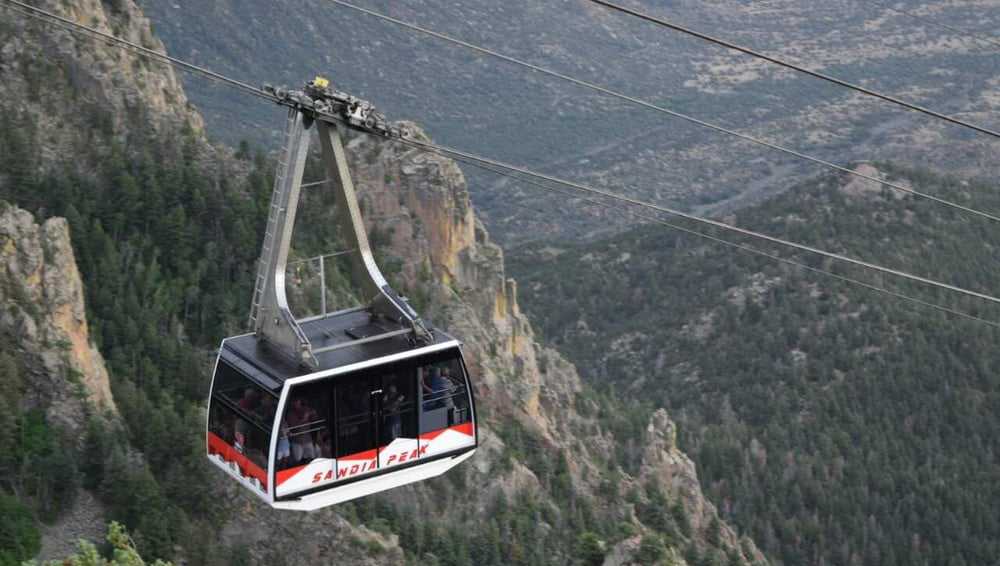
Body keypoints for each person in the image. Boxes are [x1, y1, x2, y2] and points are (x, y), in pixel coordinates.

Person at [286, 397, 318, 464]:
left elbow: (315, 418)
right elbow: (294, 427)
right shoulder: (290, 414)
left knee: (311, 457)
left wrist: (313, 413)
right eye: (294, 402)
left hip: (307, 439)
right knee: (298, 459)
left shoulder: (306, 409)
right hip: (297, 441)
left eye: (298, 401)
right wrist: (304, 419)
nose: (296, 403)